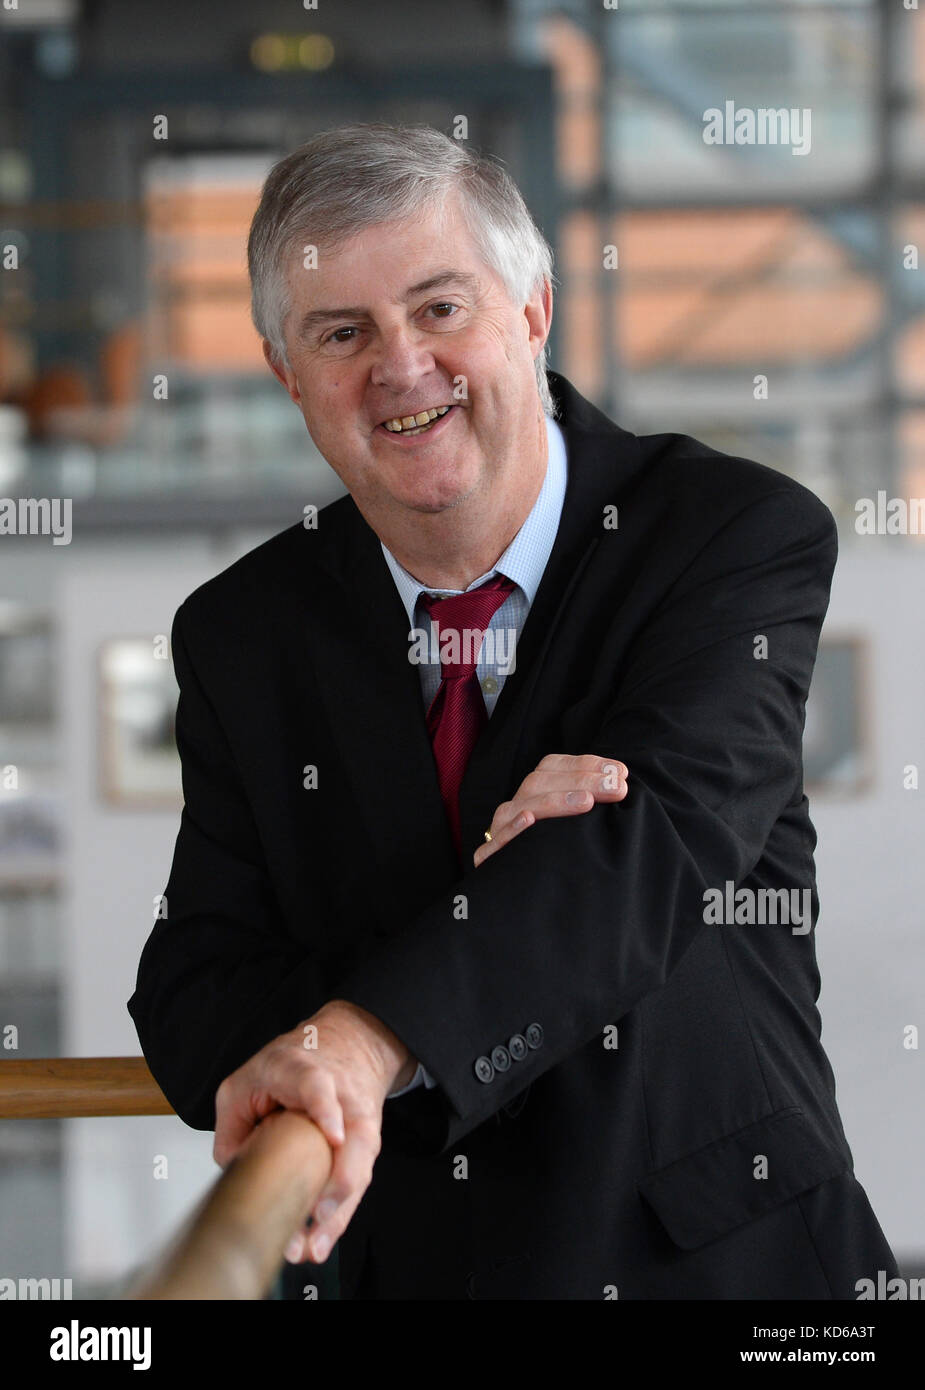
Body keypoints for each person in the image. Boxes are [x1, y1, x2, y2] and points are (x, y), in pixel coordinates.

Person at [128, 123, 898, 1300]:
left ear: (533, 312)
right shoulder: (242, 634)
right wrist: (528, 889)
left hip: (722, 1269)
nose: (401, 365)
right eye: (343, 333)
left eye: (441, 308)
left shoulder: (728, 536)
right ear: (288, 374)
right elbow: (191, 997)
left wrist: (369, 1033)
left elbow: (655, 857)